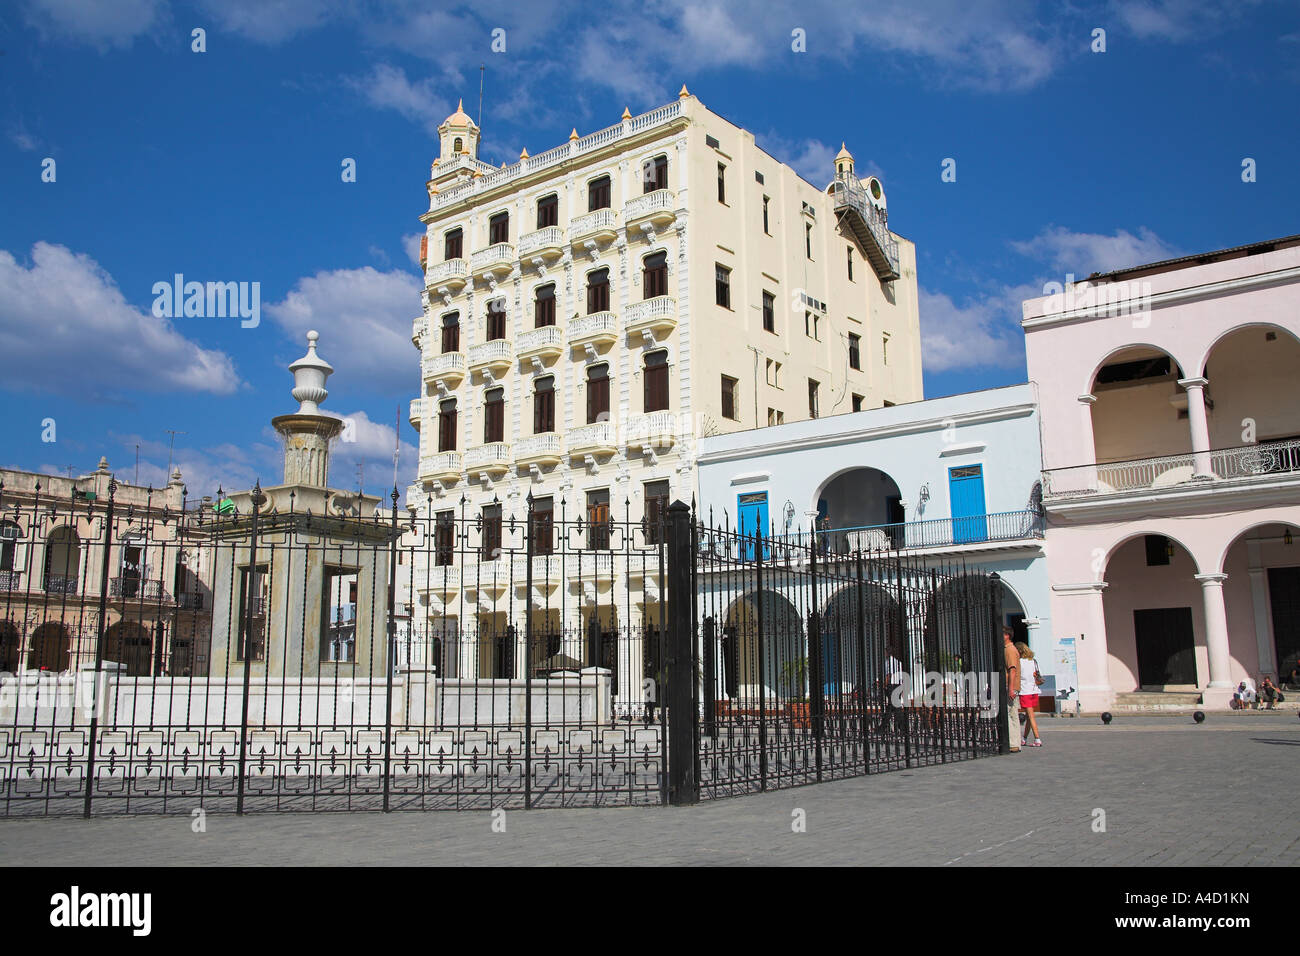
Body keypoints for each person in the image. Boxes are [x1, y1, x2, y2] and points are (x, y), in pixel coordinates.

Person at [1015, 641, 1043, 746]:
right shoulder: (1033, 661)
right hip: (1034, 691)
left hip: (1025, 691)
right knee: (1029, 716)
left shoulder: (1020, 662)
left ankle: (1037, 739)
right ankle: (1024, 738)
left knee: (1031, 716)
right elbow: (1039, 674)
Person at [1003, 627, 1021, 753]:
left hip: (1011, 687)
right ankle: (1014, 742)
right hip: (1012, 686)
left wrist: (1011, 689)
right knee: (1011, 714)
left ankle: (1013, 743)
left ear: (1007, 635)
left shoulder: (1010, 650)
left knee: (1010, 714)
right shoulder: (1009, 649)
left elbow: (1012, 670)